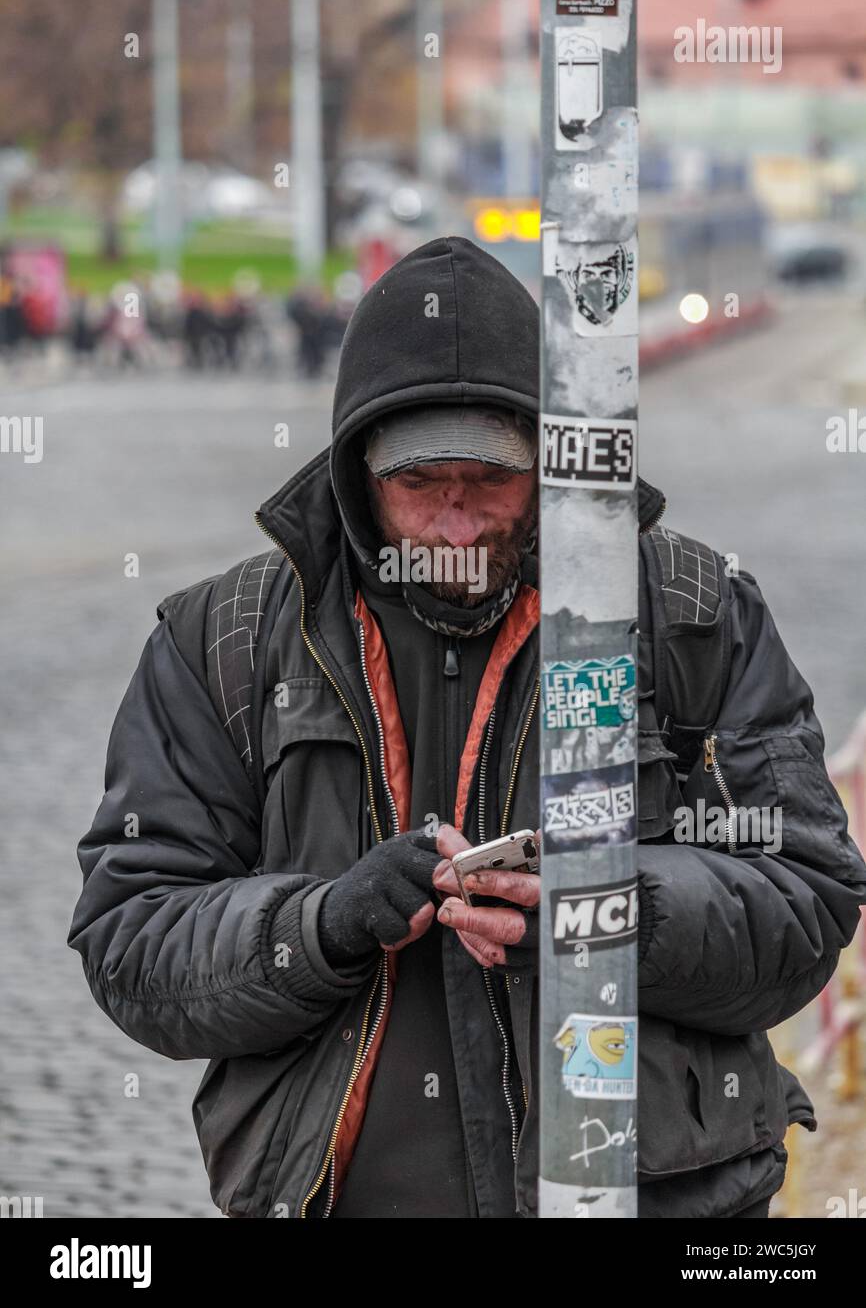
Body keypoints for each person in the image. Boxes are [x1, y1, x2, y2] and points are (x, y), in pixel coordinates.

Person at [68, 236, 866, 1219]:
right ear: (358, 473)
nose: (454, 523)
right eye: (419, 484)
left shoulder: (690, 611)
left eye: (488, 481)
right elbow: (131, 942)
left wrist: (598, 913)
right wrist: (322, 923)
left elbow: (805, 903)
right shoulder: (219, 642)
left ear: (546, 464)